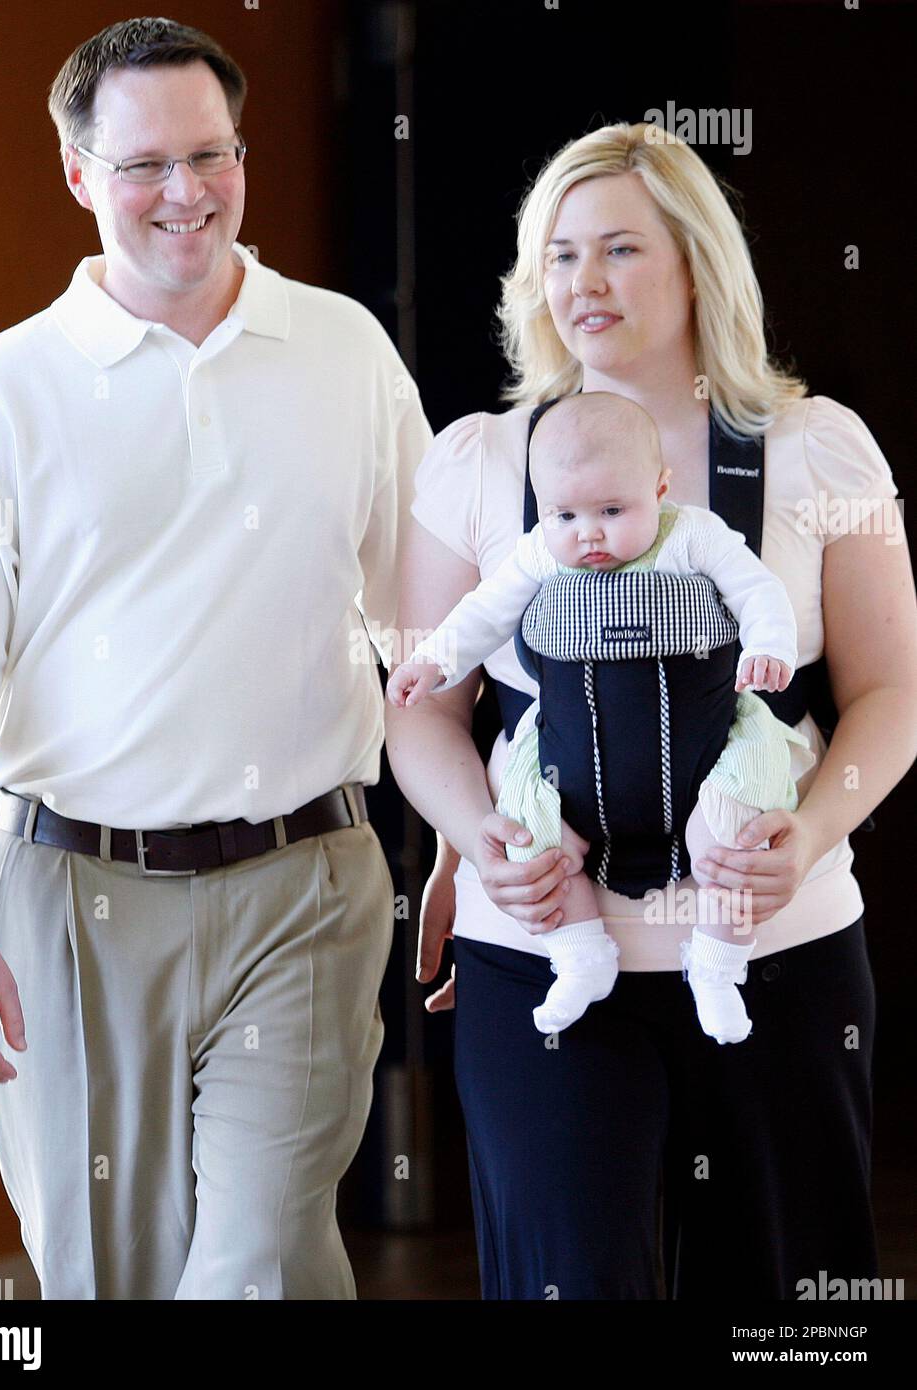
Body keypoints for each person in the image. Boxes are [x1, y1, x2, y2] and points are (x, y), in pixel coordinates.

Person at [0, 17, 432, 1300]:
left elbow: (424, 632)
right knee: (105, 1280)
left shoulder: (347, 351)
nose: (186, 192)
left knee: (262, 1267)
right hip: (67, 899)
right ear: (78, 173)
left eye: (211, 154)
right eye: (143, 165)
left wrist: (462, 839)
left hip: (305, 881)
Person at [384, 121, 917, 1300]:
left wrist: (804, 841)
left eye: (618, 249)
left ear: (696, 265)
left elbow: (890, 701)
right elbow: (419, 710)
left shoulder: (819, 451)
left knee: (784, 1305)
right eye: (559, 254)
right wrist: (483, 842)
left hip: (777, 951)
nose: (582, 282)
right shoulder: (477, 461)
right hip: (541, 957)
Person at [389, 390, 813, 1044]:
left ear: (660, 488)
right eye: (564, 513)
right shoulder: (538, 552)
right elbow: (480, 614)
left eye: (611, 511)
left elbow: (756, 590)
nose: (586, 533)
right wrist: (432, 662)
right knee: (534, 840)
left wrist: (766, 649)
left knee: (729, 836)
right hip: (566, 742)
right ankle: (579, 955)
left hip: (712, 735)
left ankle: (716, 965)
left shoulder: (692, 535)